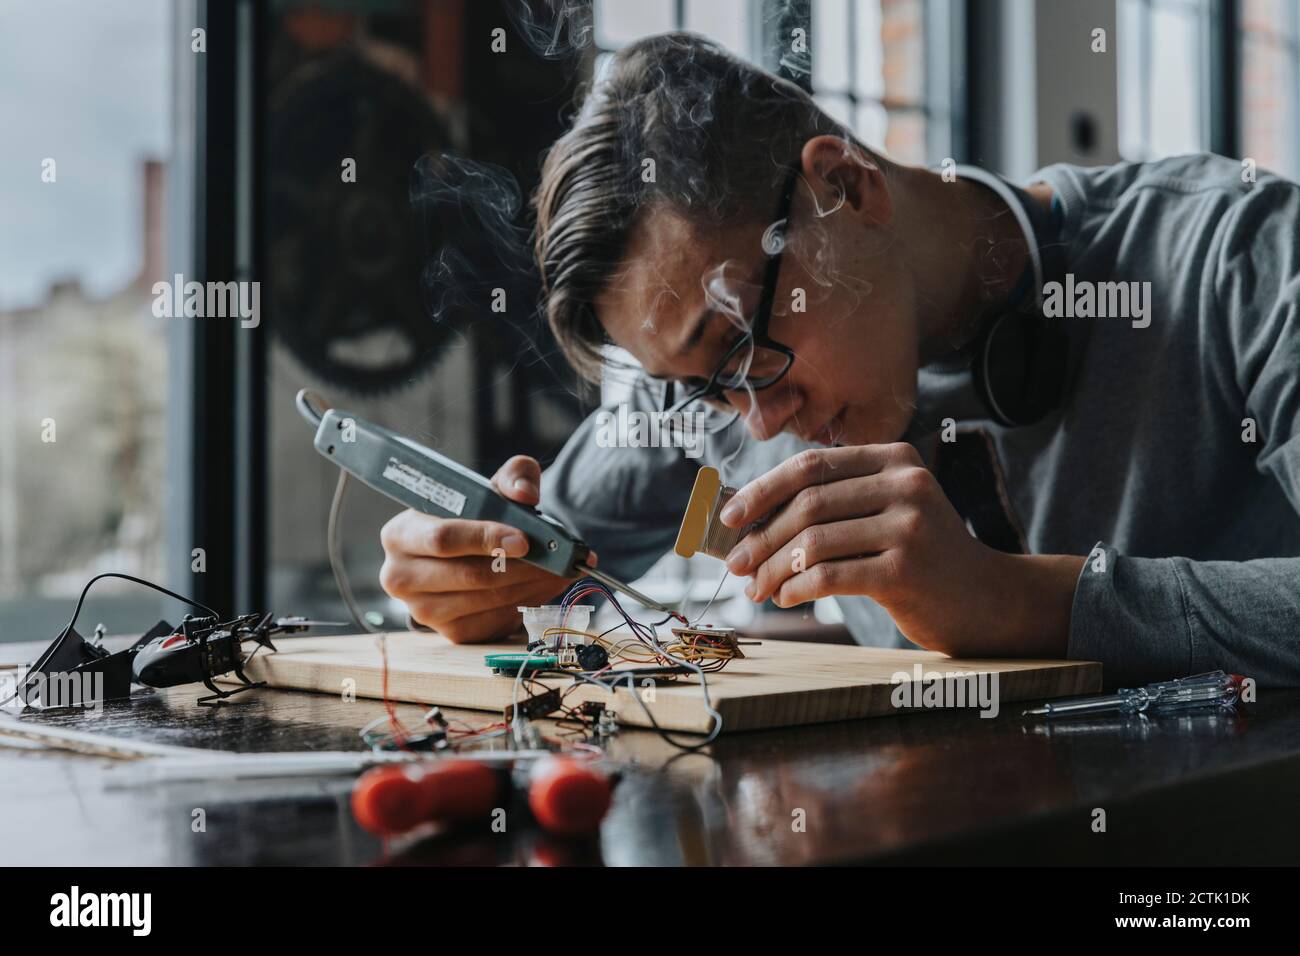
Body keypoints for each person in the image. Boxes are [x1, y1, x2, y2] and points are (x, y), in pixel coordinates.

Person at [379, 33, 1300, 686]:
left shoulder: (1238, 254)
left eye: (741, 342)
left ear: (844, 187)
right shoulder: (715, 400)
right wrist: (475, 573)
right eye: (699, 386)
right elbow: (542, 557)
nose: (756, 424)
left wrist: (1022, 600)